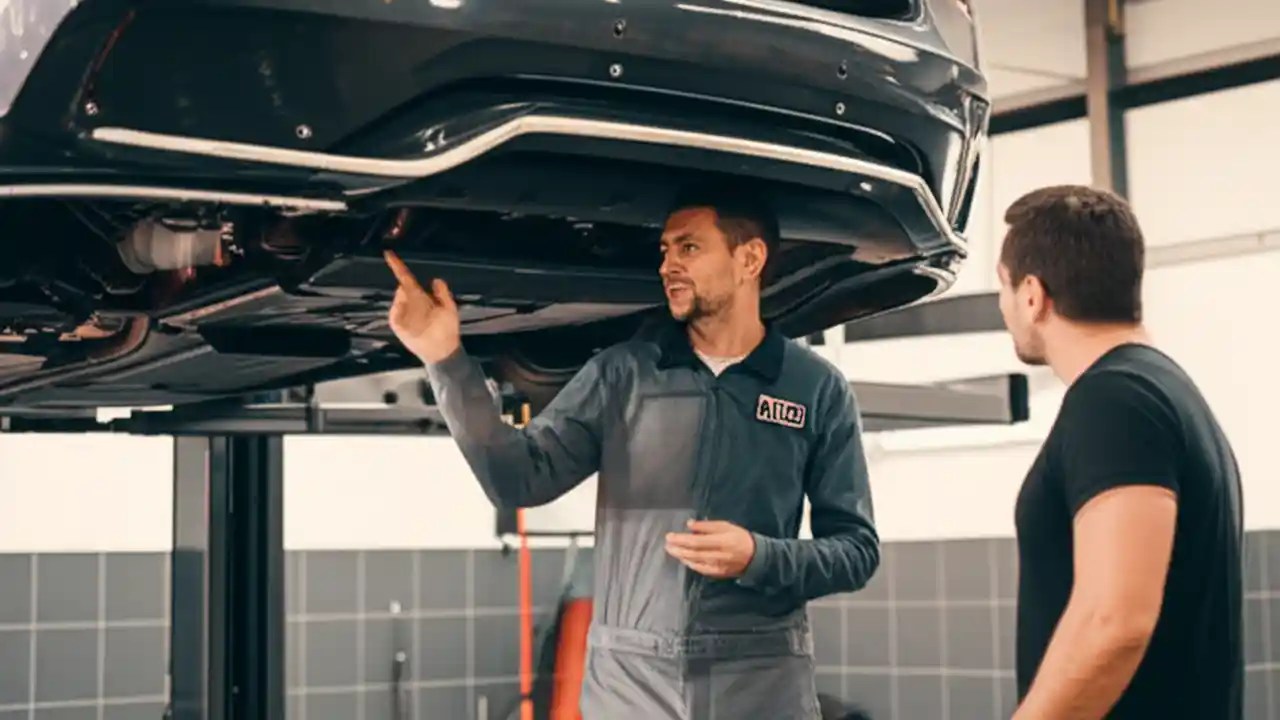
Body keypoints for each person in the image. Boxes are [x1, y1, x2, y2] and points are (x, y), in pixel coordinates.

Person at [384, 184, 880, 719]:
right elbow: (517, 479)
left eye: (688, 248)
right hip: (631, 684)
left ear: (749, 259)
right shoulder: (624, 375)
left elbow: (856, 550)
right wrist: (447, 360)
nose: (668, 265)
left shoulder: (814, 388)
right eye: (664, 250)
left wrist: (759, 557)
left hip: (758, 682)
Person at [996, 185, 1244, 719]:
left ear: (1033, 295)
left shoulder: (1116, 401)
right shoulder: (1161, 391)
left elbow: (1114, 622)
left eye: (1004, 288)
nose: (1005, 306)